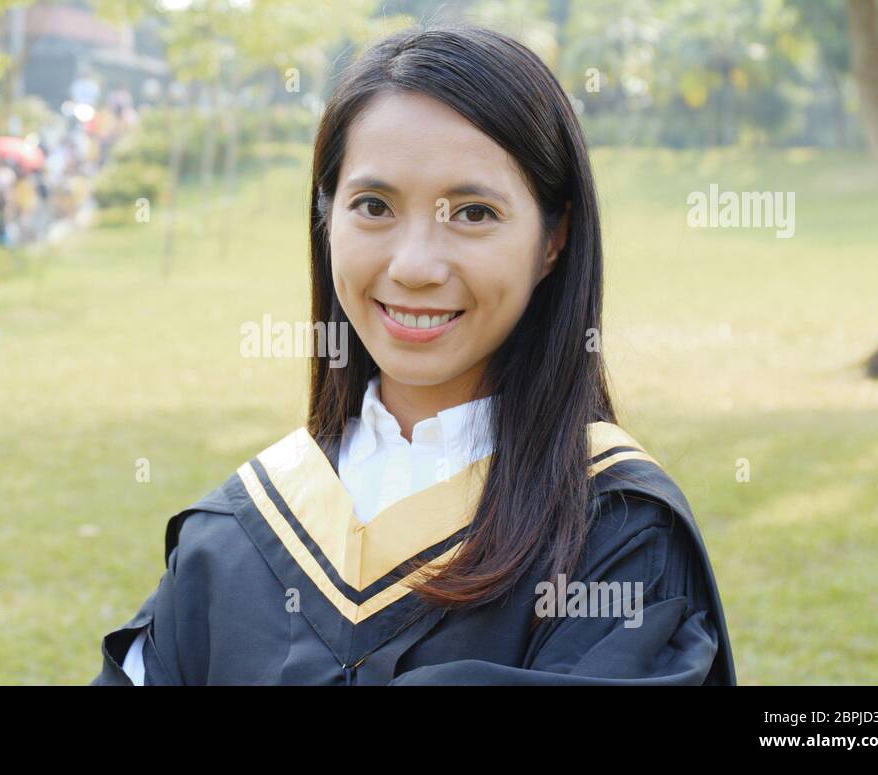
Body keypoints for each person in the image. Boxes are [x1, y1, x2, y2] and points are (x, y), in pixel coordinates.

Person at [91, 25, 736, 686]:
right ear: (327, 218)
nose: (416, 265)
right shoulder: (233, 537)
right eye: (373, 205)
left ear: (553, 238)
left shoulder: (617, 536)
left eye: (474, 212)